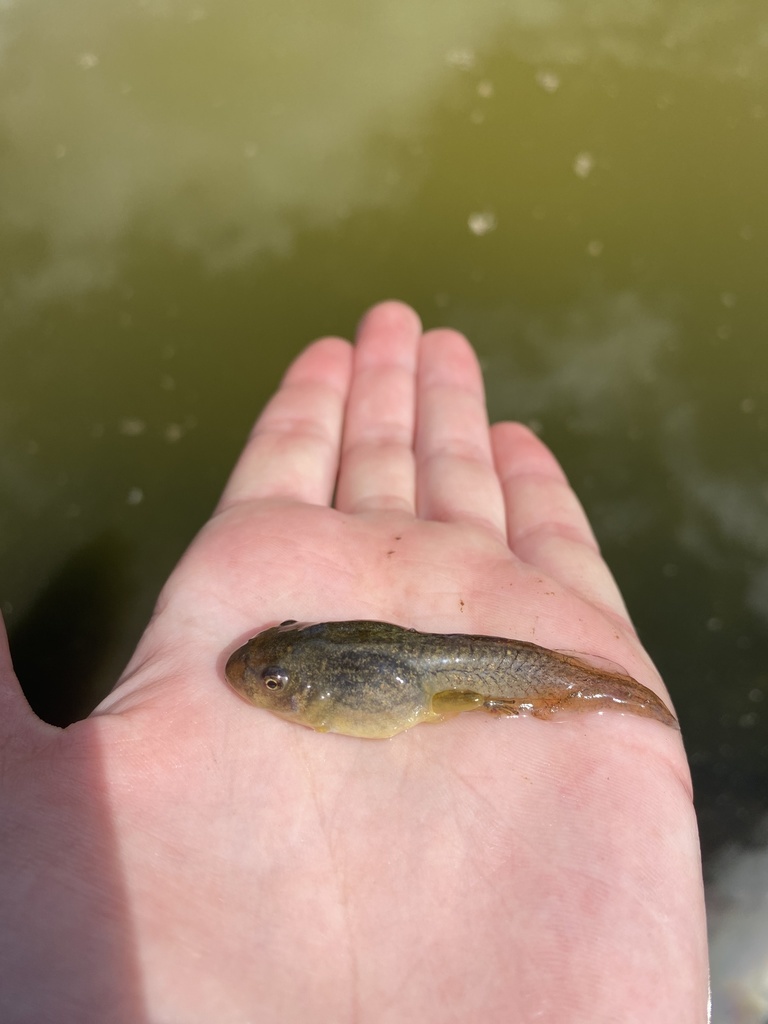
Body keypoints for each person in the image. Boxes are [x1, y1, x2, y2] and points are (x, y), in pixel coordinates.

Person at [0, 301, 708, 1022]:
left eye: (274, 680)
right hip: (442, 675)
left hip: (447, 675)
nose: (260, 682)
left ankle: (602, 698)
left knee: (552, 684)